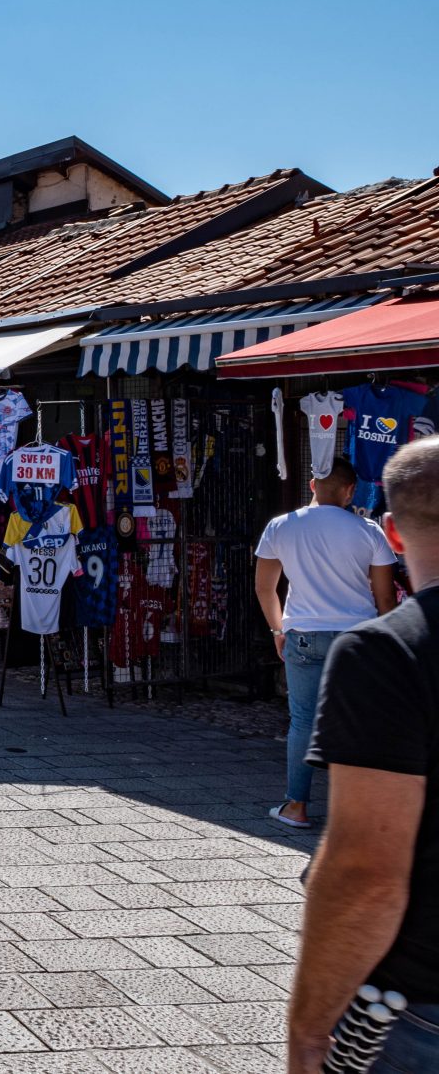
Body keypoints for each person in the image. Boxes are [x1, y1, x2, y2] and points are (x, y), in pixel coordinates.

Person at [286, 436, 439, 1072]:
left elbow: (366, 875)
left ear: (393, 535)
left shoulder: (392, 654)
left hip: (421, 1009)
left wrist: (309, 1030)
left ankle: (292, 801)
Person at [254, 458, 399, 830]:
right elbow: (385, 599)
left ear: (311, 485)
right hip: (358, 639)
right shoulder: (369, 531)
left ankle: (297, 807)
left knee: (302, 720)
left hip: (302, 634)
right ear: (352, 491)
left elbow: (264, 587)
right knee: (356, 721)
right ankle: (356, 812)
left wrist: (277, 630)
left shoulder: (281, 526)